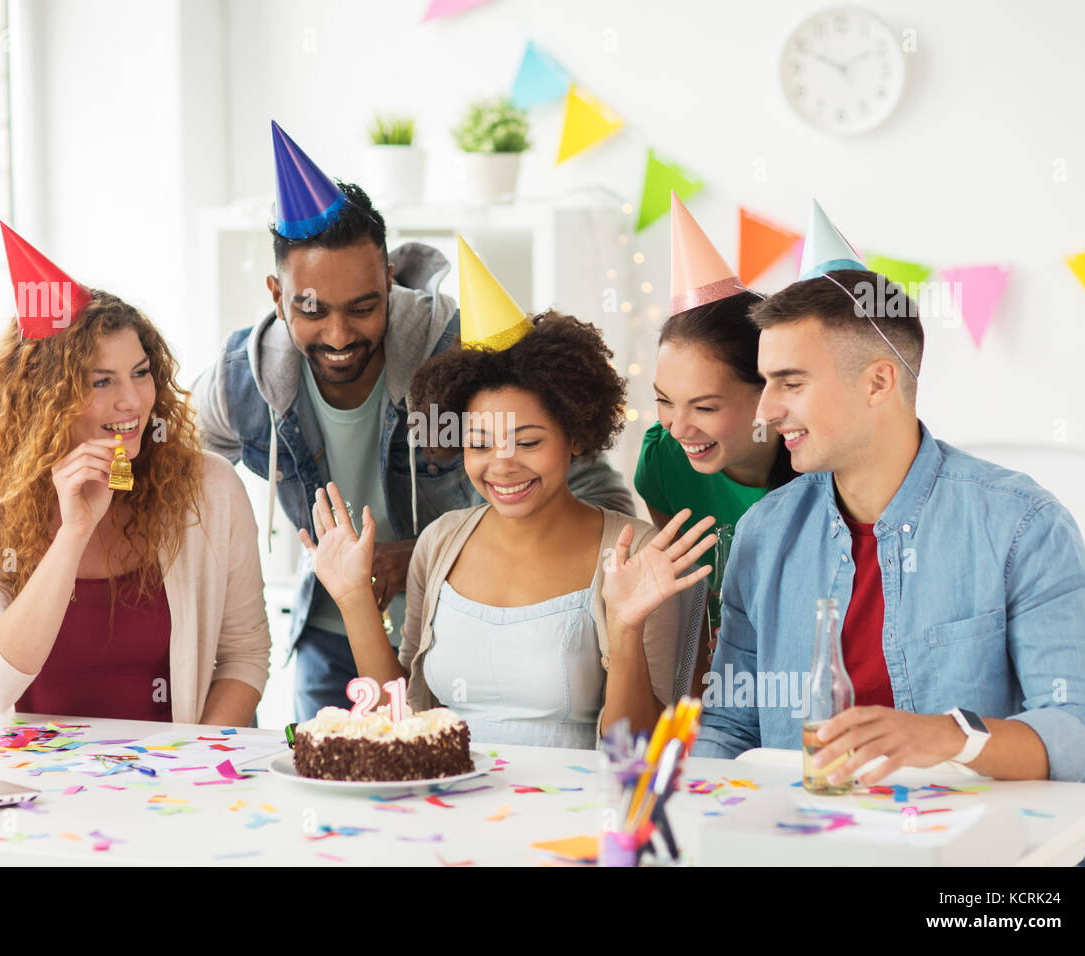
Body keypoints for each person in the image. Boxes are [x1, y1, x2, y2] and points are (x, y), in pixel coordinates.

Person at [690, 202, 1085, 865]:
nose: (767, 412)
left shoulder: (1022, 525)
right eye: (766, 384)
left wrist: (950, 737)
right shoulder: (766, 533)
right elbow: (731, 723)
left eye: (789, 383)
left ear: (879, 380)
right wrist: (689, 830)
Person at [191, 123, 633, 721]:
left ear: (389, 284)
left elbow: (587, 480)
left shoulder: (458, 348)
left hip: (461, 638)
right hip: (329, 631)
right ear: (277, 294)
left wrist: (431, 552)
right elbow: (176, 474)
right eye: (312, 310)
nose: (340, 335)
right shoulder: (241, 378)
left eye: (363, 308)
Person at [301, 303, 716, 748]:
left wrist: (625, 628)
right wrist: (353, 599)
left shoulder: (634, 553)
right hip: (450, 802)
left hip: (574, 810)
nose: (502, 466)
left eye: (528, 441)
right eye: (479, 444)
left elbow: (637, 748)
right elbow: (404, 720)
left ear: (575, 434)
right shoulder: (440, 544)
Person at [0, 224, 270, 725]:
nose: (132, 401)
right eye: (101, 381)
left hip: (170, 793)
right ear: (43, 397)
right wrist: (73, 533)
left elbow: (244, 655)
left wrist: (191, 767)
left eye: (140, 372)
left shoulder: (210, 488)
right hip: (22, 790)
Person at [634, 196, 797, 693]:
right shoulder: (663, 460)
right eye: (664, 400)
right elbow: (691, 591)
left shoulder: (821, 470)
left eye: (704, 408)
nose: (679, 428)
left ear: (767, 392)